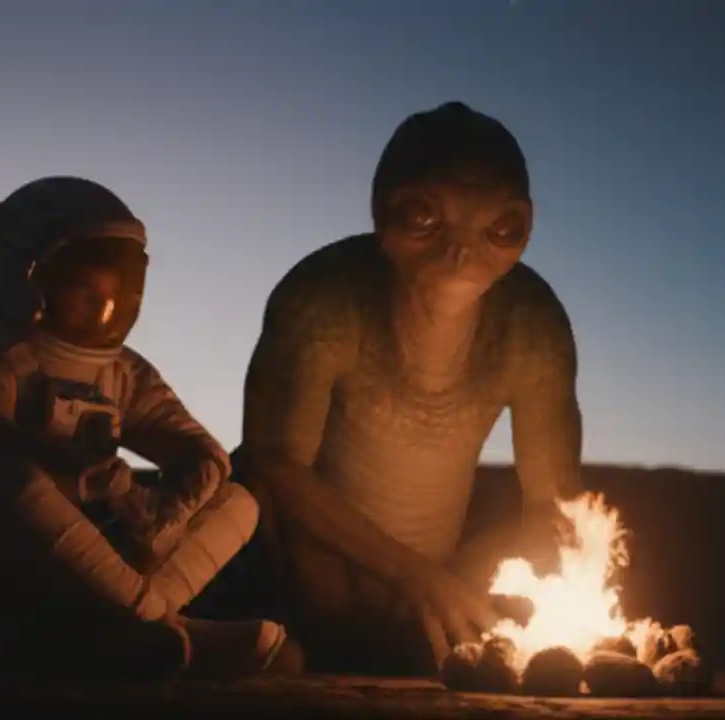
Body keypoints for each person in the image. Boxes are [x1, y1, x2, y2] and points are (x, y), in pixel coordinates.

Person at [238, 102, 583, 674]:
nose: (460, 253)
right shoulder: (325, 298)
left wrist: (537, 604)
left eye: (499, 228)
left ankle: (406, 638)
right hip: (311, 568)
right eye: (424, 217)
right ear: (382, 215)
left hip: (444, 573)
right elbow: (276, 466)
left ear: (525, 225)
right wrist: (415, 578)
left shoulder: (531, 323)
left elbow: (553, 505)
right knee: (246, 492)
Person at [0, 177, 294, 680]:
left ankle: (122, 629)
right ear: (26, 279)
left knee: (239, 501)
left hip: (93, 570)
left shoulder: (122, 372)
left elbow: (203, 453)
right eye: (86, 291)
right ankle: (168, 626)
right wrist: (76, 469)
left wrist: (163, 512)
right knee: (7, 483)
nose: (106, 308)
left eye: (119, 292)